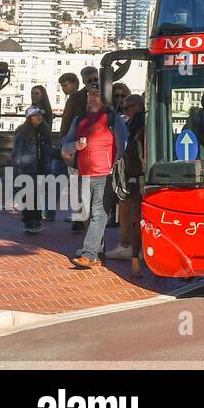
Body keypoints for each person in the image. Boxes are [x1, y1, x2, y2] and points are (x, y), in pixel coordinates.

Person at [62, 86, 127, 269]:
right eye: (90, 93)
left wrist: (115, 169)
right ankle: (98, 253)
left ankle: (88, 254)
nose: (92, 96)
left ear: (104, 97)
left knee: (99, 214)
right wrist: (75, 145)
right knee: (86, 214)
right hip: (83, 173)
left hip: (104, 174)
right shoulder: (79, 119)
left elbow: (123, 145)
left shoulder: (113, 119)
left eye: (97, 93)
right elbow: (66, 145)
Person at [104, 93, 144, 274]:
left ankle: (128, 246)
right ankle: (132, 248)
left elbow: (131, 148)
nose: (125, 111)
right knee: (132, 210)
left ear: (137, 106)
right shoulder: (139, 122)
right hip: (136, 172)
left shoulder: (138, 124)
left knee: (131, 209)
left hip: (135, 173)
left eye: (127, 107)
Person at [59, 70, 92, 233]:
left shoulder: (75, 99)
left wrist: (63, 141)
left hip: (77, 145)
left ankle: (80, 216)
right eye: (89, 80)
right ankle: (81, 216)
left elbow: (66, 121)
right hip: (77, 145)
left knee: (78, 183)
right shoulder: (82, 99)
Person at [12, 106, 50, 234]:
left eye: (40, 114)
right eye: (35, 115)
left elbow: (46, 150)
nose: (39, 117)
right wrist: (18, 173)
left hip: (39, 168)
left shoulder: (41, 131)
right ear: (29, 118)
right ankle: (30, 222)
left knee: (37, 196)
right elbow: (16, 154)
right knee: (29, 197)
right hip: (27, 169)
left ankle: (35, 221)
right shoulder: (22, 133)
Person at [32, 84, 59, 221]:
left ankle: (46, 211)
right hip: (37, 149)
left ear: (43, 95)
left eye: (36, 93)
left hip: (43, 150)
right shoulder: (37, 110)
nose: (34, 95)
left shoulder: (42, 112)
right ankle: (44, 211)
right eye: (32, 93)